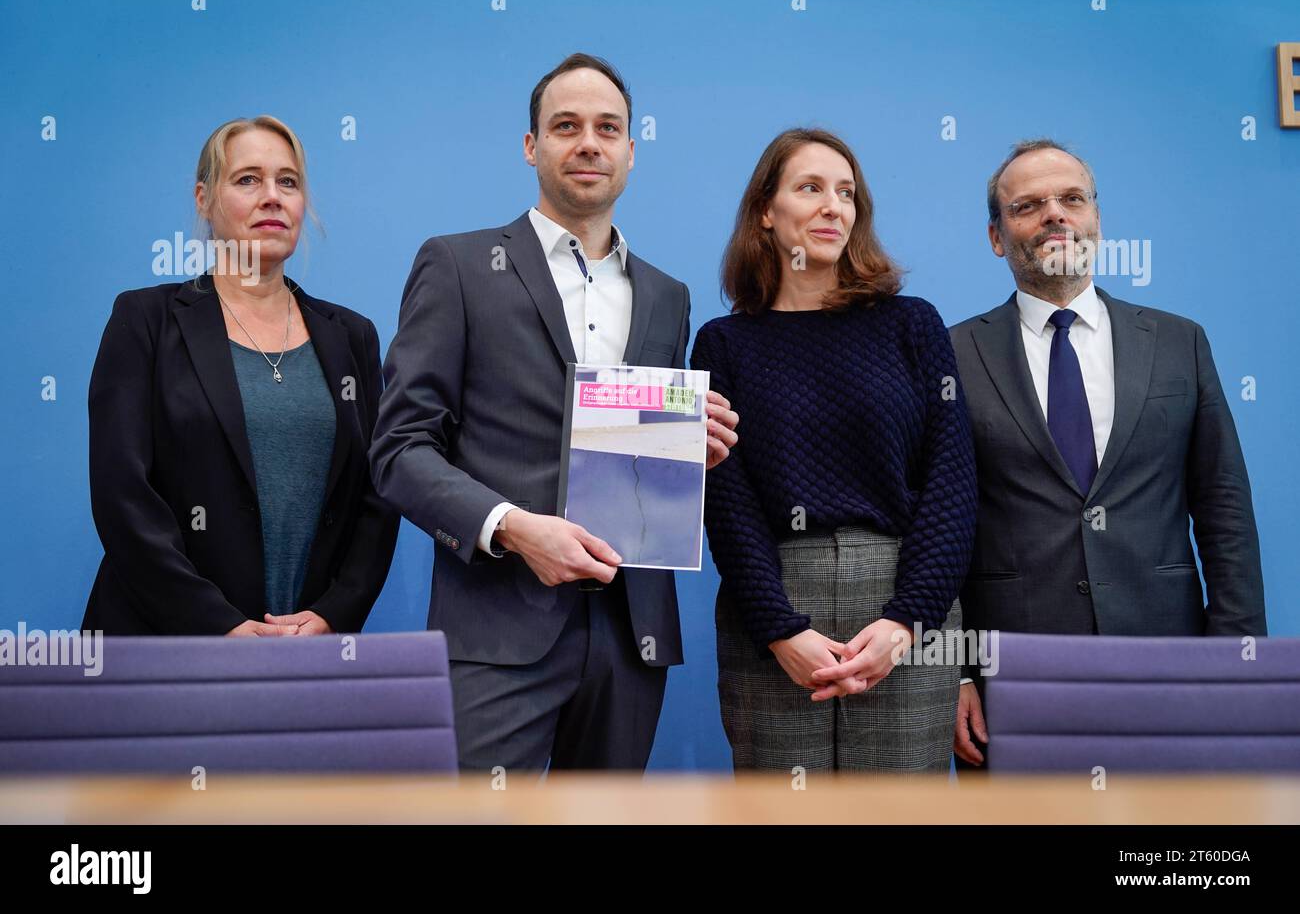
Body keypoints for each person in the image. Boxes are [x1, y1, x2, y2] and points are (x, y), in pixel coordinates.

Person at [369, 53, 739, 772]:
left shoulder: (670, 296)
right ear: (531, 146)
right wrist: (512, 529)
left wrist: (686, 456)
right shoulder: (459, 266)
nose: (589, 143)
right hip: (497, 629)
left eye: (608, 128)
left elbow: (636, 461)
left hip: (631, 634)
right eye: (566, 126)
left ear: (632, 151)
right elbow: (399, 450)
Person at [950, 138, 1267, 769]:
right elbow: (939, 527)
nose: (1055, 216)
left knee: (1164, 862)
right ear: (996, 236)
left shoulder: (1181, 343)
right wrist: (954, 674)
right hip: (1013, 675)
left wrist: (1236, 655)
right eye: (1029, 205)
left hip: (1168, 665)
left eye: (1072, 199)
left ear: (1098, 219)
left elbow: (1224, 507)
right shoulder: (952, 355)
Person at [690, 128, 977, 772]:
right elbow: (726, 502)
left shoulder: (913, 325)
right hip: (774, 613)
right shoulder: (723, 344)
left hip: (905, 607)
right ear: (766, 211)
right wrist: (779, 629)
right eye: (810, 188)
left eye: (846, 193)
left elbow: (951, 486)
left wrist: (908, 622)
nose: (833, 207)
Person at [84, 116, 399, 636]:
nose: (272, 197)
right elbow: (123, 495)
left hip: (306, 652)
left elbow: (377, 497)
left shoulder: (352, 336)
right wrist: (219, 625)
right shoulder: (145, 321)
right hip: (162, 648)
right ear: (204, 200)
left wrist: (333, 614)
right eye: (248, 179)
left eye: (288, 182)